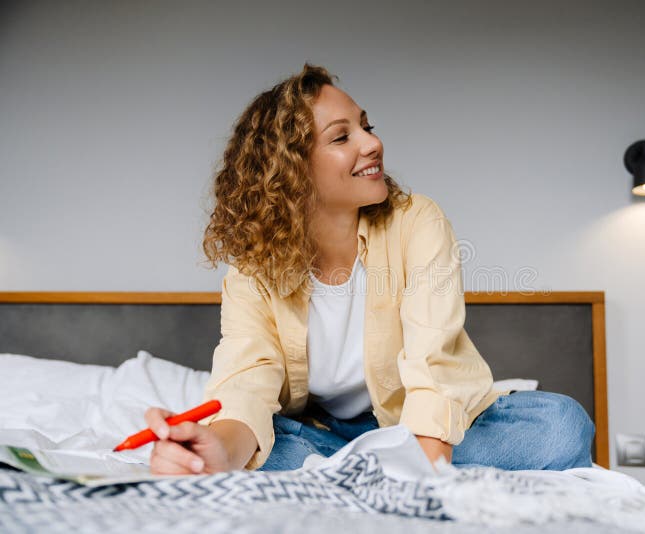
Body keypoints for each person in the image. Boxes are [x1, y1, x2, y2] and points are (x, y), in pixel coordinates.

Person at [144, 63, 594, 475]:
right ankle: (359, 465)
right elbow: (246, 380)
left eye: (366, 126)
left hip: (416, 428)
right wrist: (218, 453)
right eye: (342, 137)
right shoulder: (253, 267)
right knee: (266, 447)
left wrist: (424, 477)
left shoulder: (418, 221)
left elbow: (433, 365)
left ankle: (351, 470)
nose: (372, 142)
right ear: (290, 172)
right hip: (318, 432)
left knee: (561, 426)